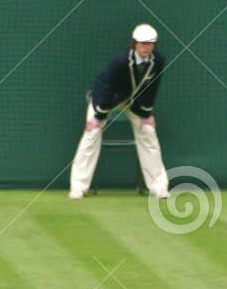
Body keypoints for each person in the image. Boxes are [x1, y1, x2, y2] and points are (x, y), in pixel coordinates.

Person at [69, 23, 167, 200]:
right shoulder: (120, 62)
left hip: (134, 101)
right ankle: (78, 187)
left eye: (150, 44)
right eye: (143, 43)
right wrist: (99, 116)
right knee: (91, 133)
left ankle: (159, 187)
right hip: (107, 97)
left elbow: (153, 87)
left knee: (148, 132)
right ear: (135, 44)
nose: (146, 47)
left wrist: (147, 113)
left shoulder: (158, 60)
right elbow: (107, 88)